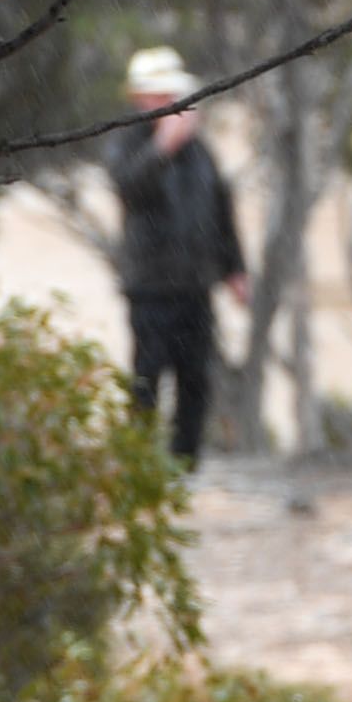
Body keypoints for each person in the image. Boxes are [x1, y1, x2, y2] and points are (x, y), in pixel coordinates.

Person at [102, 46, 247, 468]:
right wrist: (162, 146)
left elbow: (221, 211)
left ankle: (185, 465)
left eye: (172, 95)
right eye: (158, 95)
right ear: (139, 99)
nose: (168, 104)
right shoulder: (127, 143)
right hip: (149, 286)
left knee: (196, 378)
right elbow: (128, 187)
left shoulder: (200, 150)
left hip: (195, 285)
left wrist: (235, 269)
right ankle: (137, 466)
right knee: (147, 376)